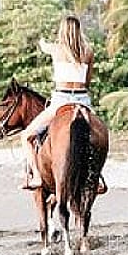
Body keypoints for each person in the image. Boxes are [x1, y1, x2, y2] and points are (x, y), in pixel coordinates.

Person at [19, 15, 104, 192]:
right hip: (83, 102)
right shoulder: (88, 51)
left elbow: (43, 45)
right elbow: (87, 82)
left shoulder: (56, 50)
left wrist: (40, 38)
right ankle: (97, 178)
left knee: (27, 136)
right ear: (79, 30)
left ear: (62, 31)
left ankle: (35, 176)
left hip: (61, 100)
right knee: (97, 138)